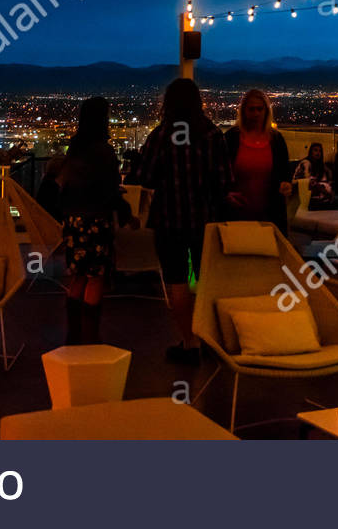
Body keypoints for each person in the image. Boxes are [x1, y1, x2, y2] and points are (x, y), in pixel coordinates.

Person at [136, 77, 233, 364]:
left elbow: (146, 177)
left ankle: (189, 343)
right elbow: (225, 180)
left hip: (168, 220)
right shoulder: (212, 134)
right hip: (205, 220)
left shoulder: (161, 135)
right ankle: (211, 340)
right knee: (207, 281)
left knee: (177, 282)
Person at [58, 98, 132, 345]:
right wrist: (126, 214)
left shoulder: (75, 148)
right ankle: (90, 337)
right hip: (96, 220)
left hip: (74, 220)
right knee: (96, 276)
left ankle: (73, 334)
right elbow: (111, 190)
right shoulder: (104, 151)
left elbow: (66, 185)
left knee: (78, 276)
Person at [224, 89, 294, 232]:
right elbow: (219, 173)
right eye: (251, 109)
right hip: (235, 215)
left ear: (266, 111)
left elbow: (285, 172)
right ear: (244, 111)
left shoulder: (276, 141)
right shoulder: (231, 138)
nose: (255, 114)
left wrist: (286, 184)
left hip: (269, 216)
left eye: (259, 109)